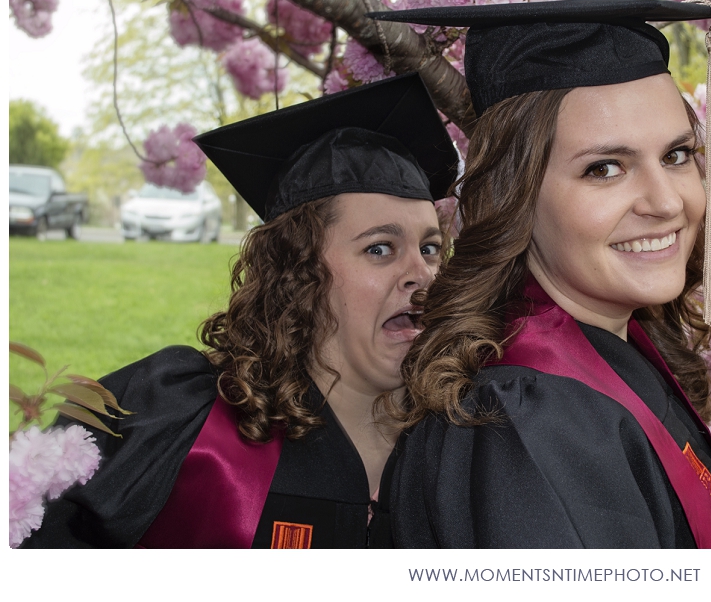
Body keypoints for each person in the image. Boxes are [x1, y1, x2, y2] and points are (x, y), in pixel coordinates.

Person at [369, 0, 711, 548]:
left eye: (676, 156)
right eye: (605, 169)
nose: (665, 201)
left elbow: (647, 520)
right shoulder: (520, 423)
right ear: (515, 197)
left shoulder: (607, 345)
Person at [19, 73, 459, 549]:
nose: (423, 274)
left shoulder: (464, 449)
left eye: (431, 248)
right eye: (380, 248)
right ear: (298, 272)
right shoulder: (179, 422)